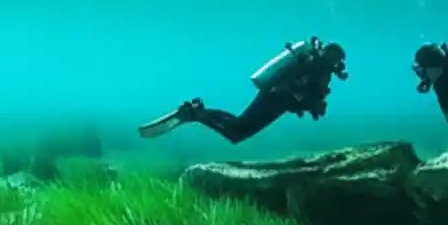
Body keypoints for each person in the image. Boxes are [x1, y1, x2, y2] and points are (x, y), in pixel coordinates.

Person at [138, 36, 348, 144]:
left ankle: (198, 111)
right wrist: (316, 106)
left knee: (238, 127)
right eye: (338, 60)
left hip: (273, 95)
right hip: (276, 100)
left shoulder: (312, 62)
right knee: (237, 133)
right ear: (333, 57)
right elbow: (309, 98)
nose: (338, 65)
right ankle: (195, 114)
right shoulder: (319, 70)